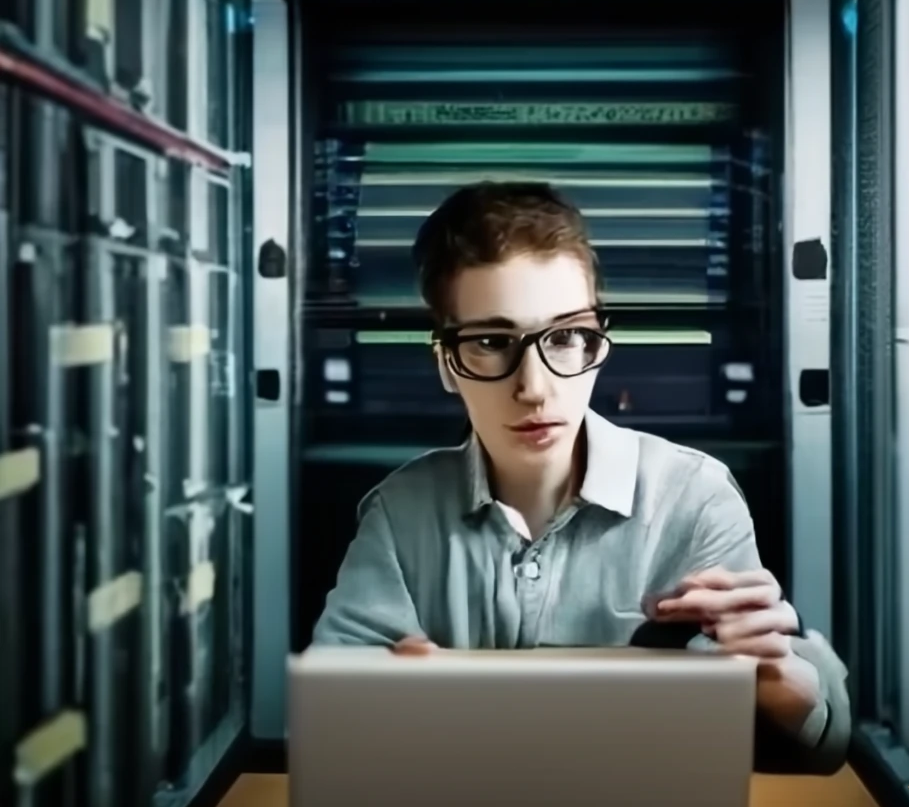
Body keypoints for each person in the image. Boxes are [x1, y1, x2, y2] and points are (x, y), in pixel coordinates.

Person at [313, 181, 850, 774]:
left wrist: (778, 683)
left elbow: (816, 741)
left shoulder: (693, 499)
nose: (535, 387)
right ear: (446, 362)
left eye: (566, 336)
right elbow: (326, 725)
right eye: (492, 341)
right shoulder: (399, 514)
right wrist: (373, 709)